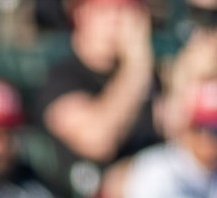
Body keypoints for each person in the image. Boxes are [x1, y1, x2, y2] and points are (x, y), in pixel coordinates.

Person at [34, 0, 160, 171]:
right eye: (105, 11)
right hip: (90, 190)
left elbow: (175, 129)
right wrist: (136, 64)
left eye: (126, 11)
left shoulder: (148, 73)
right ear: (80, 14)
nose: (117, 21)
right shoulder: (60, 77)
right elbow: (99, 140)